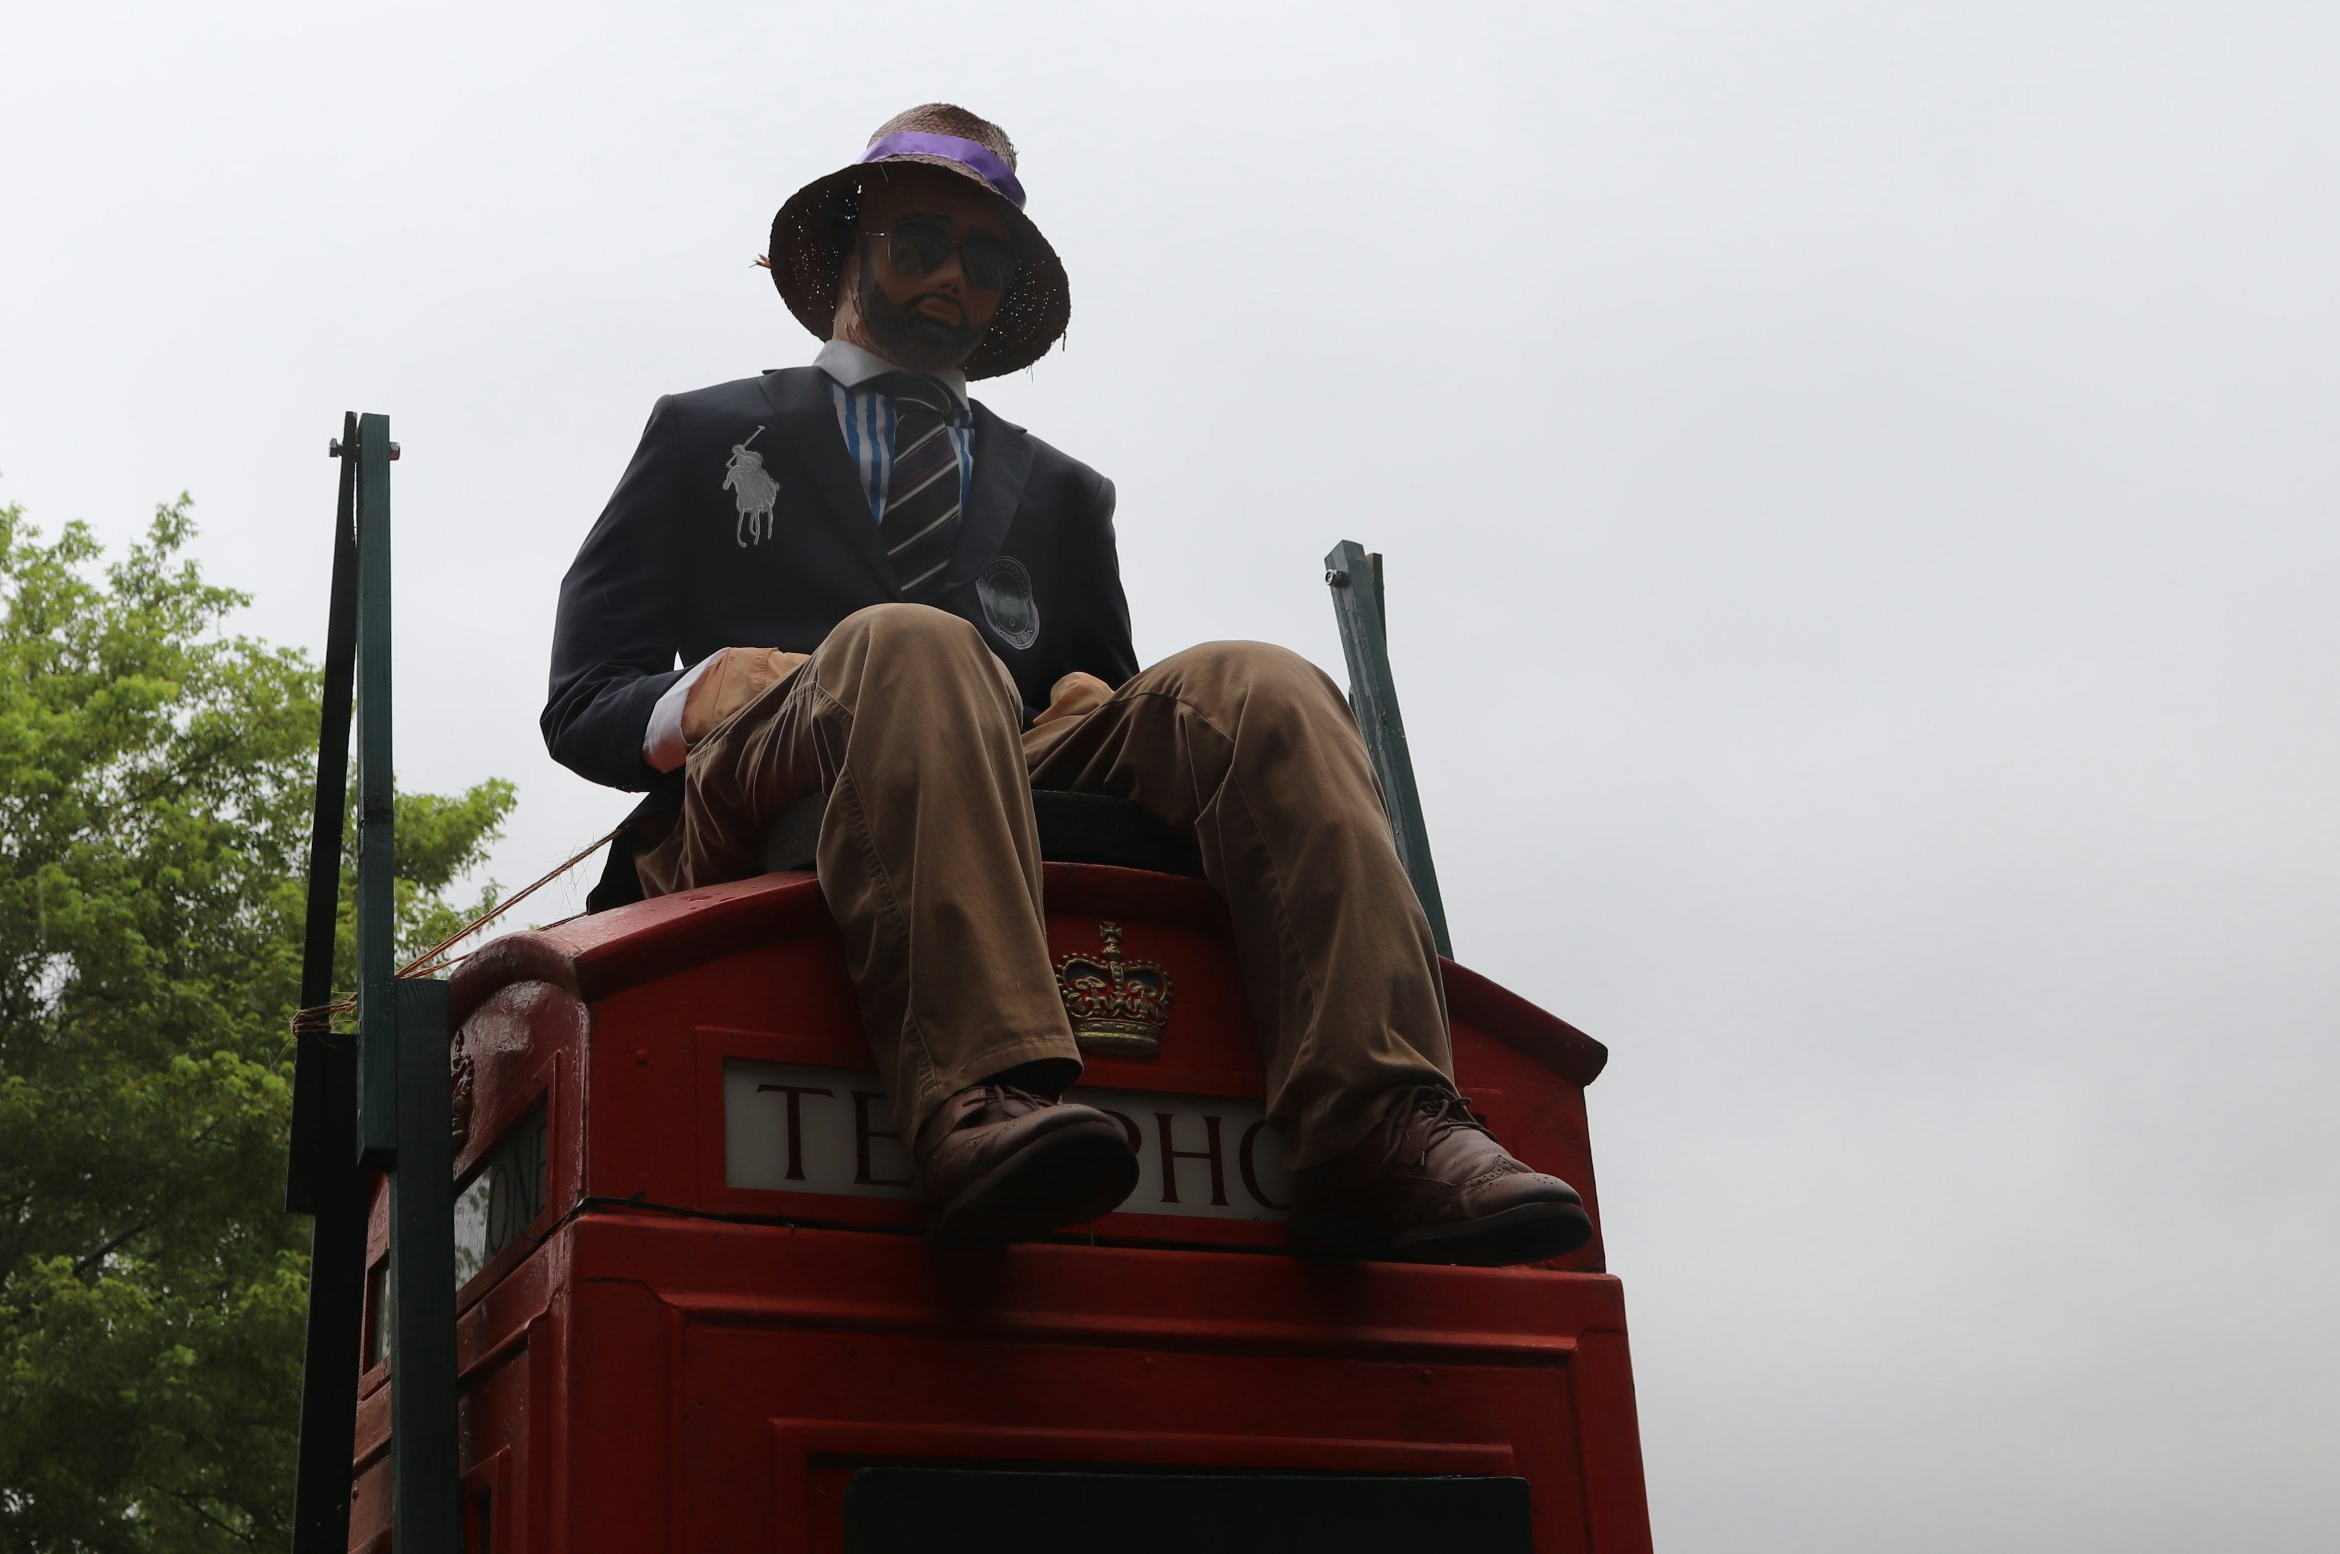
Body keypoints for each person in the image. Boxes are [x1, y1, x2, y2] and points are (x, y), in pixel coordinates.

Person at [543, 104, 1592, 1265]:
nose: (950, 277)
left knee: (1265, 684)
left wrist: (1098, 708)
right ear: (852, 251)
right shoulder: (708, 431)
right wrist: (692, 696)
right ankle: (980, 1094)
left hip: (989, 759)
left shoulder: (1061, 493)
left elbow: (1119, 718)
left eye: (983, 261)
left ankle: (1380, 1115)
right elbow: (583, 695)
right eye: (918, 243)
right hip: (766, 781)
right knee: (913, 644)